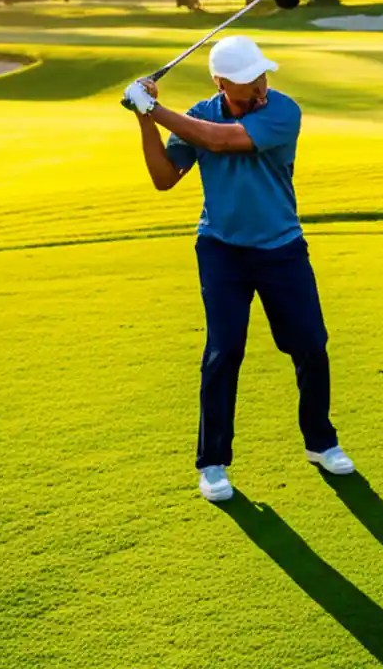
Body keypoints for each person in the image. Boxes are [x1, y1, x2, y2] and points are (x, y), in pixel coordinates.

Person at [123, 35, 356, 502]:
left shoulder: (283, 111)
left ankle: (320, 442)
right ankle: (212, 463)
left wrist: (153, 108)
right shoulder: (199, 114)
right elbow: (165, 178)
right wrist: (143, 121)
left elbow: (220, 141)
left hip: (282, 247)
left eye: (263, 76)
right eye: (249, 81)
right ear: (221, 82)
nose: (261, 87)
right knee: (223, 351)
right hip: (221, 250)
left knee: (310, 344)